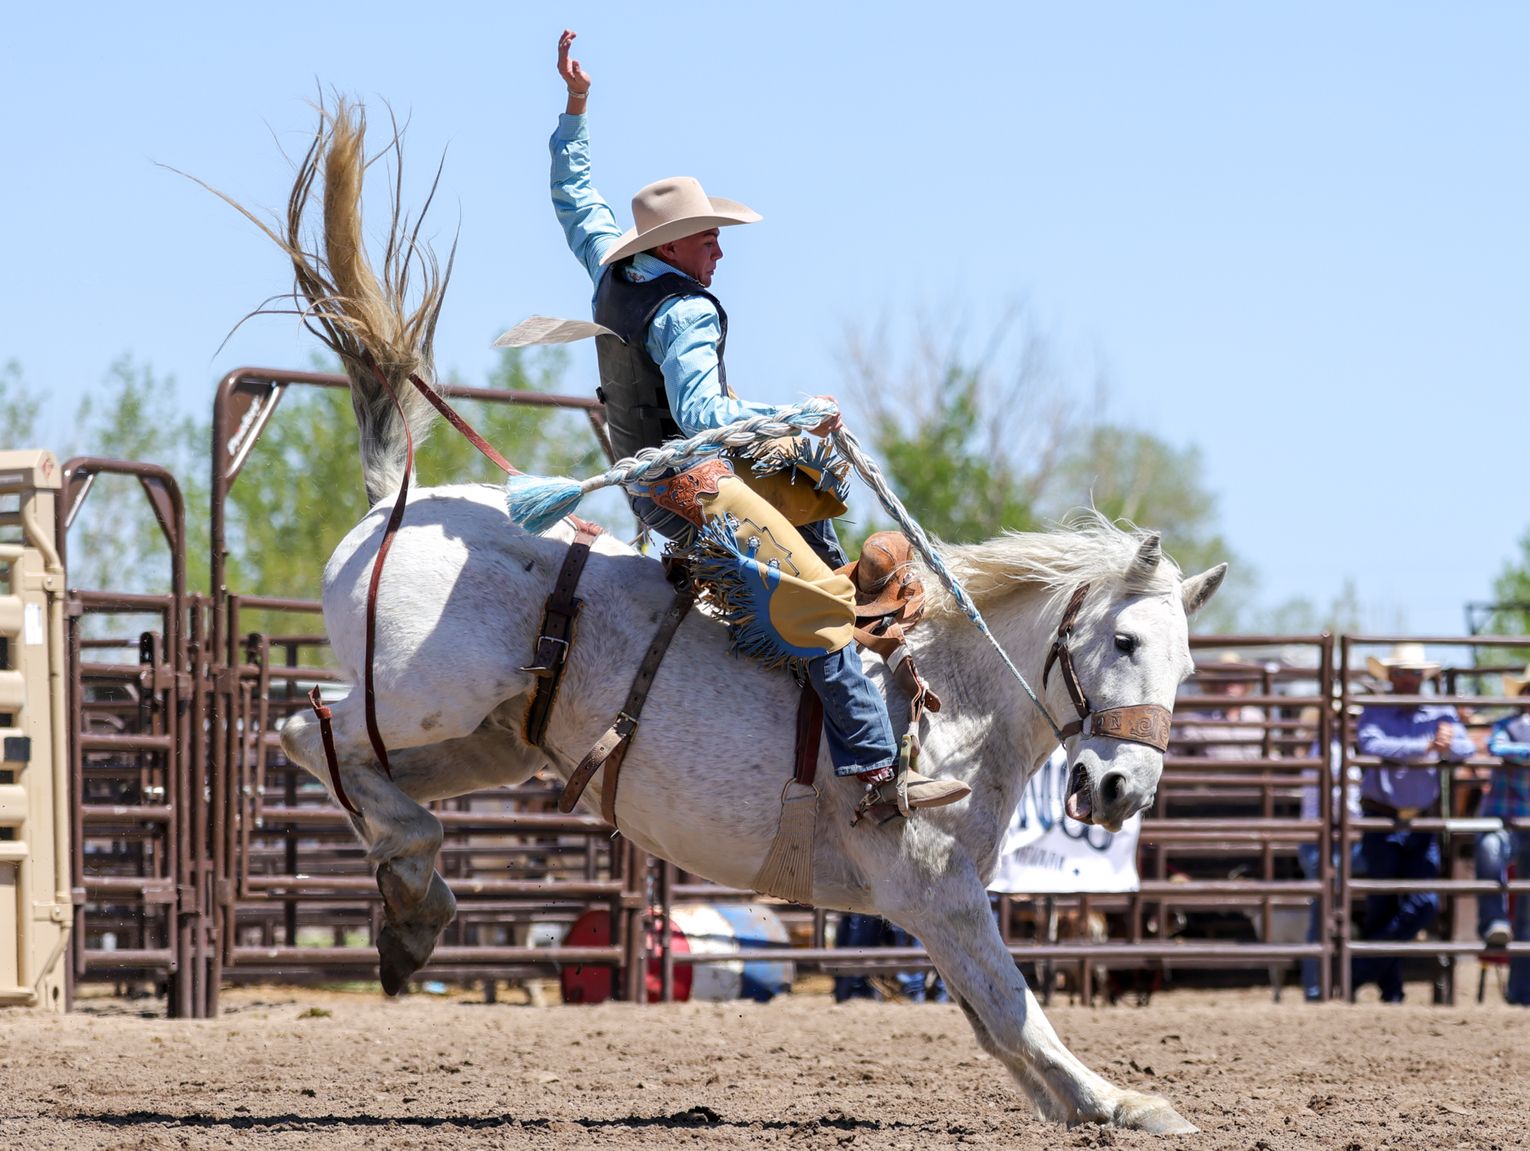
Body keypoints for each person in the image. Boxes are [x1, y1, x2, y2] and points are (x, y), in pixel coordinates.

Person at [549, 31, 967, 813]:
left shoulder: (615, 265)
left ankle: (838, 584)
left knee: (799, 477)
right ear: (671, 245)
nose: (719, 248)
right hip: (690, 487)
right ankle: (876, 770)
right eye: (709, 235)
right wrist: (799, 411)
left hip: (657, 476)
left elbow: (577, 199)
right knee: (815, 601)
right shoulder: (683, 316)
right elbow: (707, 415)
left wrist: (575, 107)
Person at [1351, 643, 1475, 1002]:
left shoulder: (1439, 710)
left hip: (1420, 821)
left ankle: (1357, 970)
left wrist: (1448, 744)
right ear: (1391, 676)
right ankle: (1391, 992)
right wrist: (1427, 744)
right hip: (1381, 818)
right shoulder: (1377, 710)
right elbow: (1371, 744)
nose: (1409, 679)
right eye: (1403, 673)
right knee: (1383, 905)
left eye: (1415, 673)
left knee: (1424, 903)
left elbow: (1465, 748)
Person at [1475, 664, 1530, 1004]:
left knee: (1529, 914)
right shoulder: (1507, 726)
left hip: (1514, 819)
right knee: (1490, 848)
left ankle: (1521, 994)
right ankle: (1492, 920)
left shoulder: (1510, 728)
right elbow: (1494, 746)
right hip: (1506, 819)